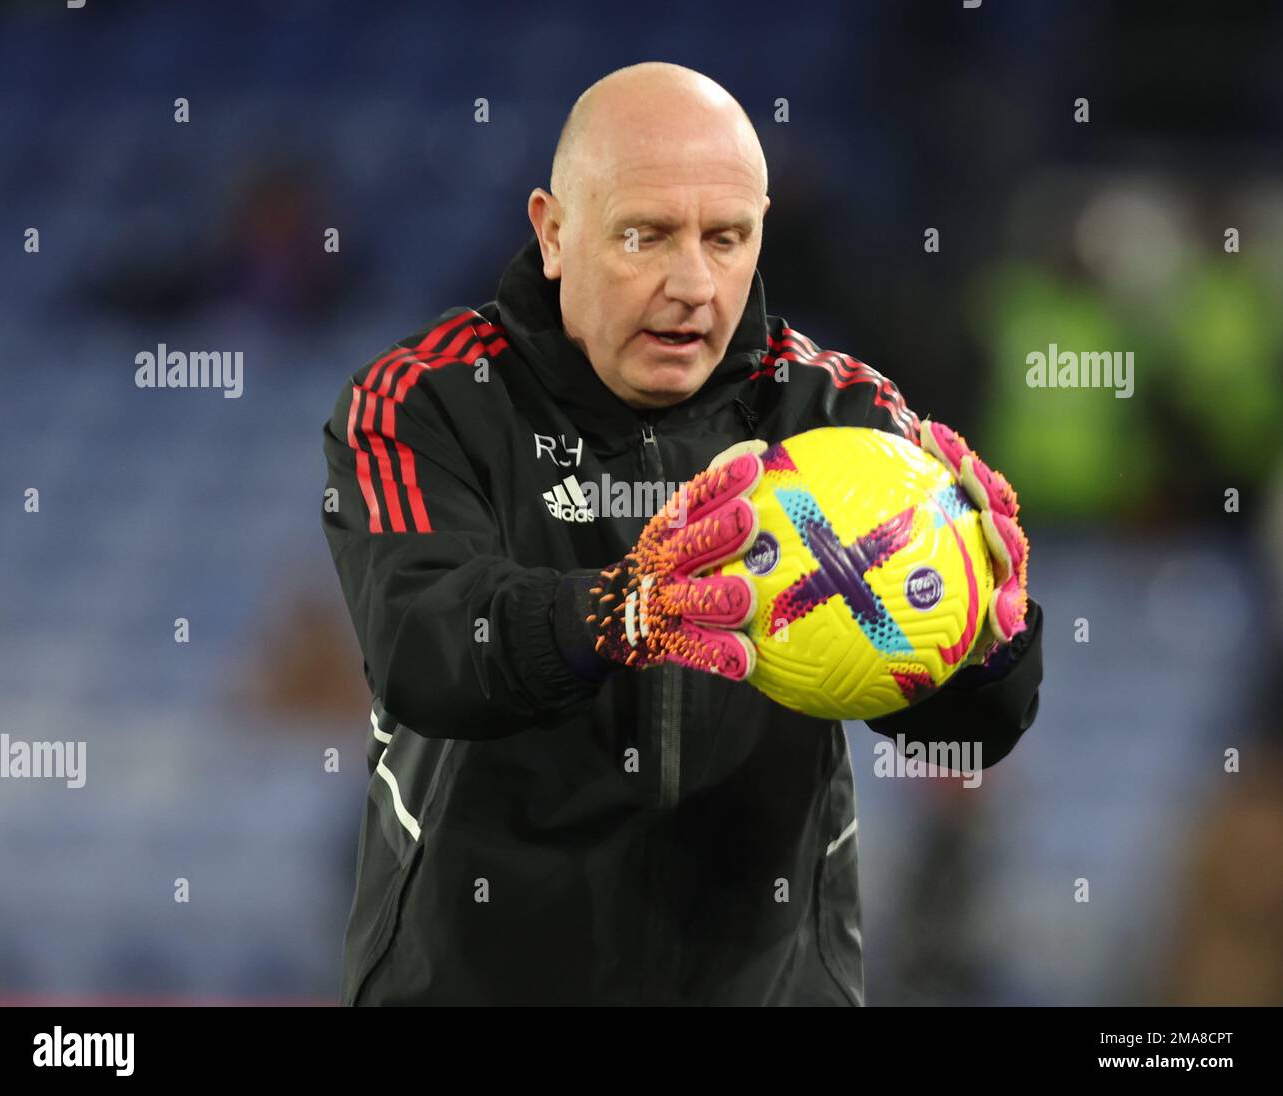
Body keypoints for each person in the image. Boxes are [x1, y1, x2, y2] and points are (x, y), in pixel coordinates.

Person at [320, 62, 1043, 1006]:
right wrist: (619, 613)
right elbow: (429, 647)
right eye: (646, 235)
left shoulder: (843, 417)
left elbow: (969, 733)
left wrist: (990, 643)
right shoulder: (427, 400)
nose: (695, 284)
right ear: (553, 231)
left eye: (727, 237)